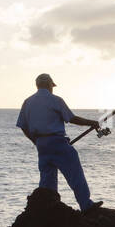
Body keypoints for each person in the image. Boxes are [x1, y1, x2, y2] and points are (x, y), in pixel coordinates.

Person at [16, 73, 107, 211]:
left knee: (47, 178)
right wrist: (93, 123)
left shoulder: (27, 102)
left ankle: (47, 207)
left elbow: (23, 125)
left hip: (41, 144)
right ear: (49, 85)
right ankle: (86, 205)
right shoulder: (55, 100)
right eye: (52, 86)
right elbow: (71, 118)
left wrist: (35, 141)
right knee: (74, 173)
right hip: (57, 142)